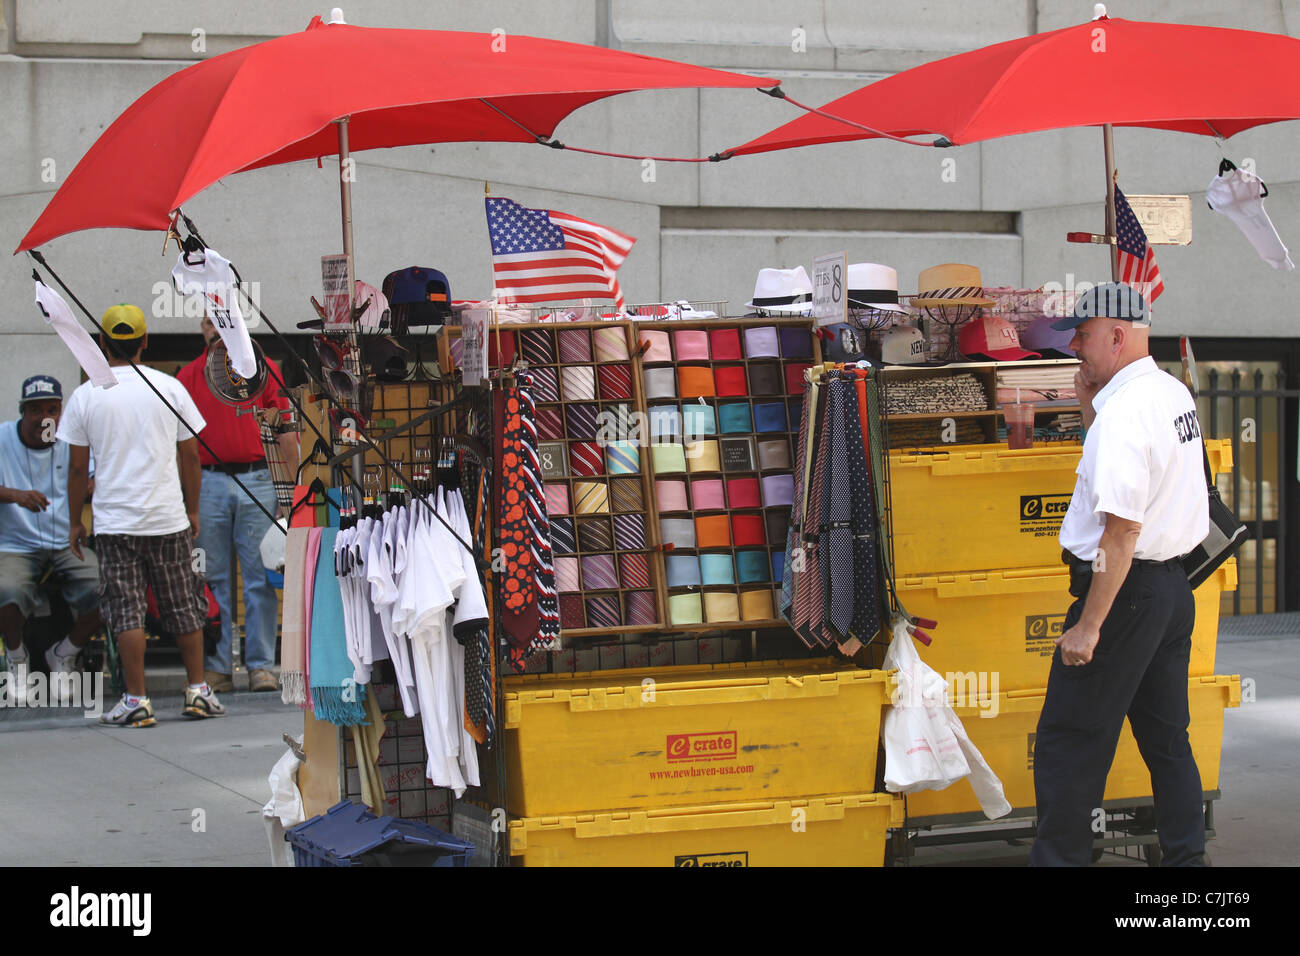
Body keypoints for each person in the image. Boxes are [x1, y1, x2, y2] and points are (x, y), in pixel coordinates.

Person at [1030, 283, 1210, 866]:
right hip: (1169, 590)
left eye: (1082, 337)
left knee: (1069, 745)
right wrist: (1090, 408)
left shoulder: (1126, 415)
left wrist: (1089, 625)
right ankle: (1188, 875)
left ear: (1116, 335)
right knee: (1166, 743)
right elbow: (1132, 479)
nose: (1074, 349)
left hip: (1123, 593)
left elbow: (1121, 532)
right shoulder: (1168, 393)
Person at [57, 304, 225, 727]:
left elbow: (78, 469)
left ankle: (136, 699)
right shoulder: (168, 388)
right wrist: (191, 509)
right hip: (168, 518)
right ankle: (198, 691)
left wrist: (77, 519)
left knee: (126, 612)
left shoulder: (86, 395)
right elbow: (190, 456)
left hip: (116, 523)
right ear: (145, 342)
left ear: (101, 344)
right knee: (184, 605)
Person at [177, 316, 298, 693]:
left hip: (258, 477)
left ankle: (261, 665)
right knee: (212, 579)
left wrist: (291, 490)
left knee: (259, 578)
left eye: (223, 320)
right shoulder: (188, 375)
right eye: (209, 322)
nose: (216, 328)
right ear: (201, 328)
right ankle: (218, 667)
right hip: (208, 480)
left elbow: (285, 428)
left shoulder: (261, 366)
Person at [0, 375, 102, 704]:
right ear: (22, 412)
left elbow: (97, 477)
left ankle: (63, 654)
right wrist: (15, 495)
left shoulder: (73, 439)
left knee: (107, 587)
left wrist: (87, 488)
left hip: (66, 542)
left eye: (52, 409)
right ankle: (16, 659)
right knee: (7, 591)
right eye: (35, 410)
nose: (45, 417)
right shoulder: (2, 438)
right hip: (17, 545)